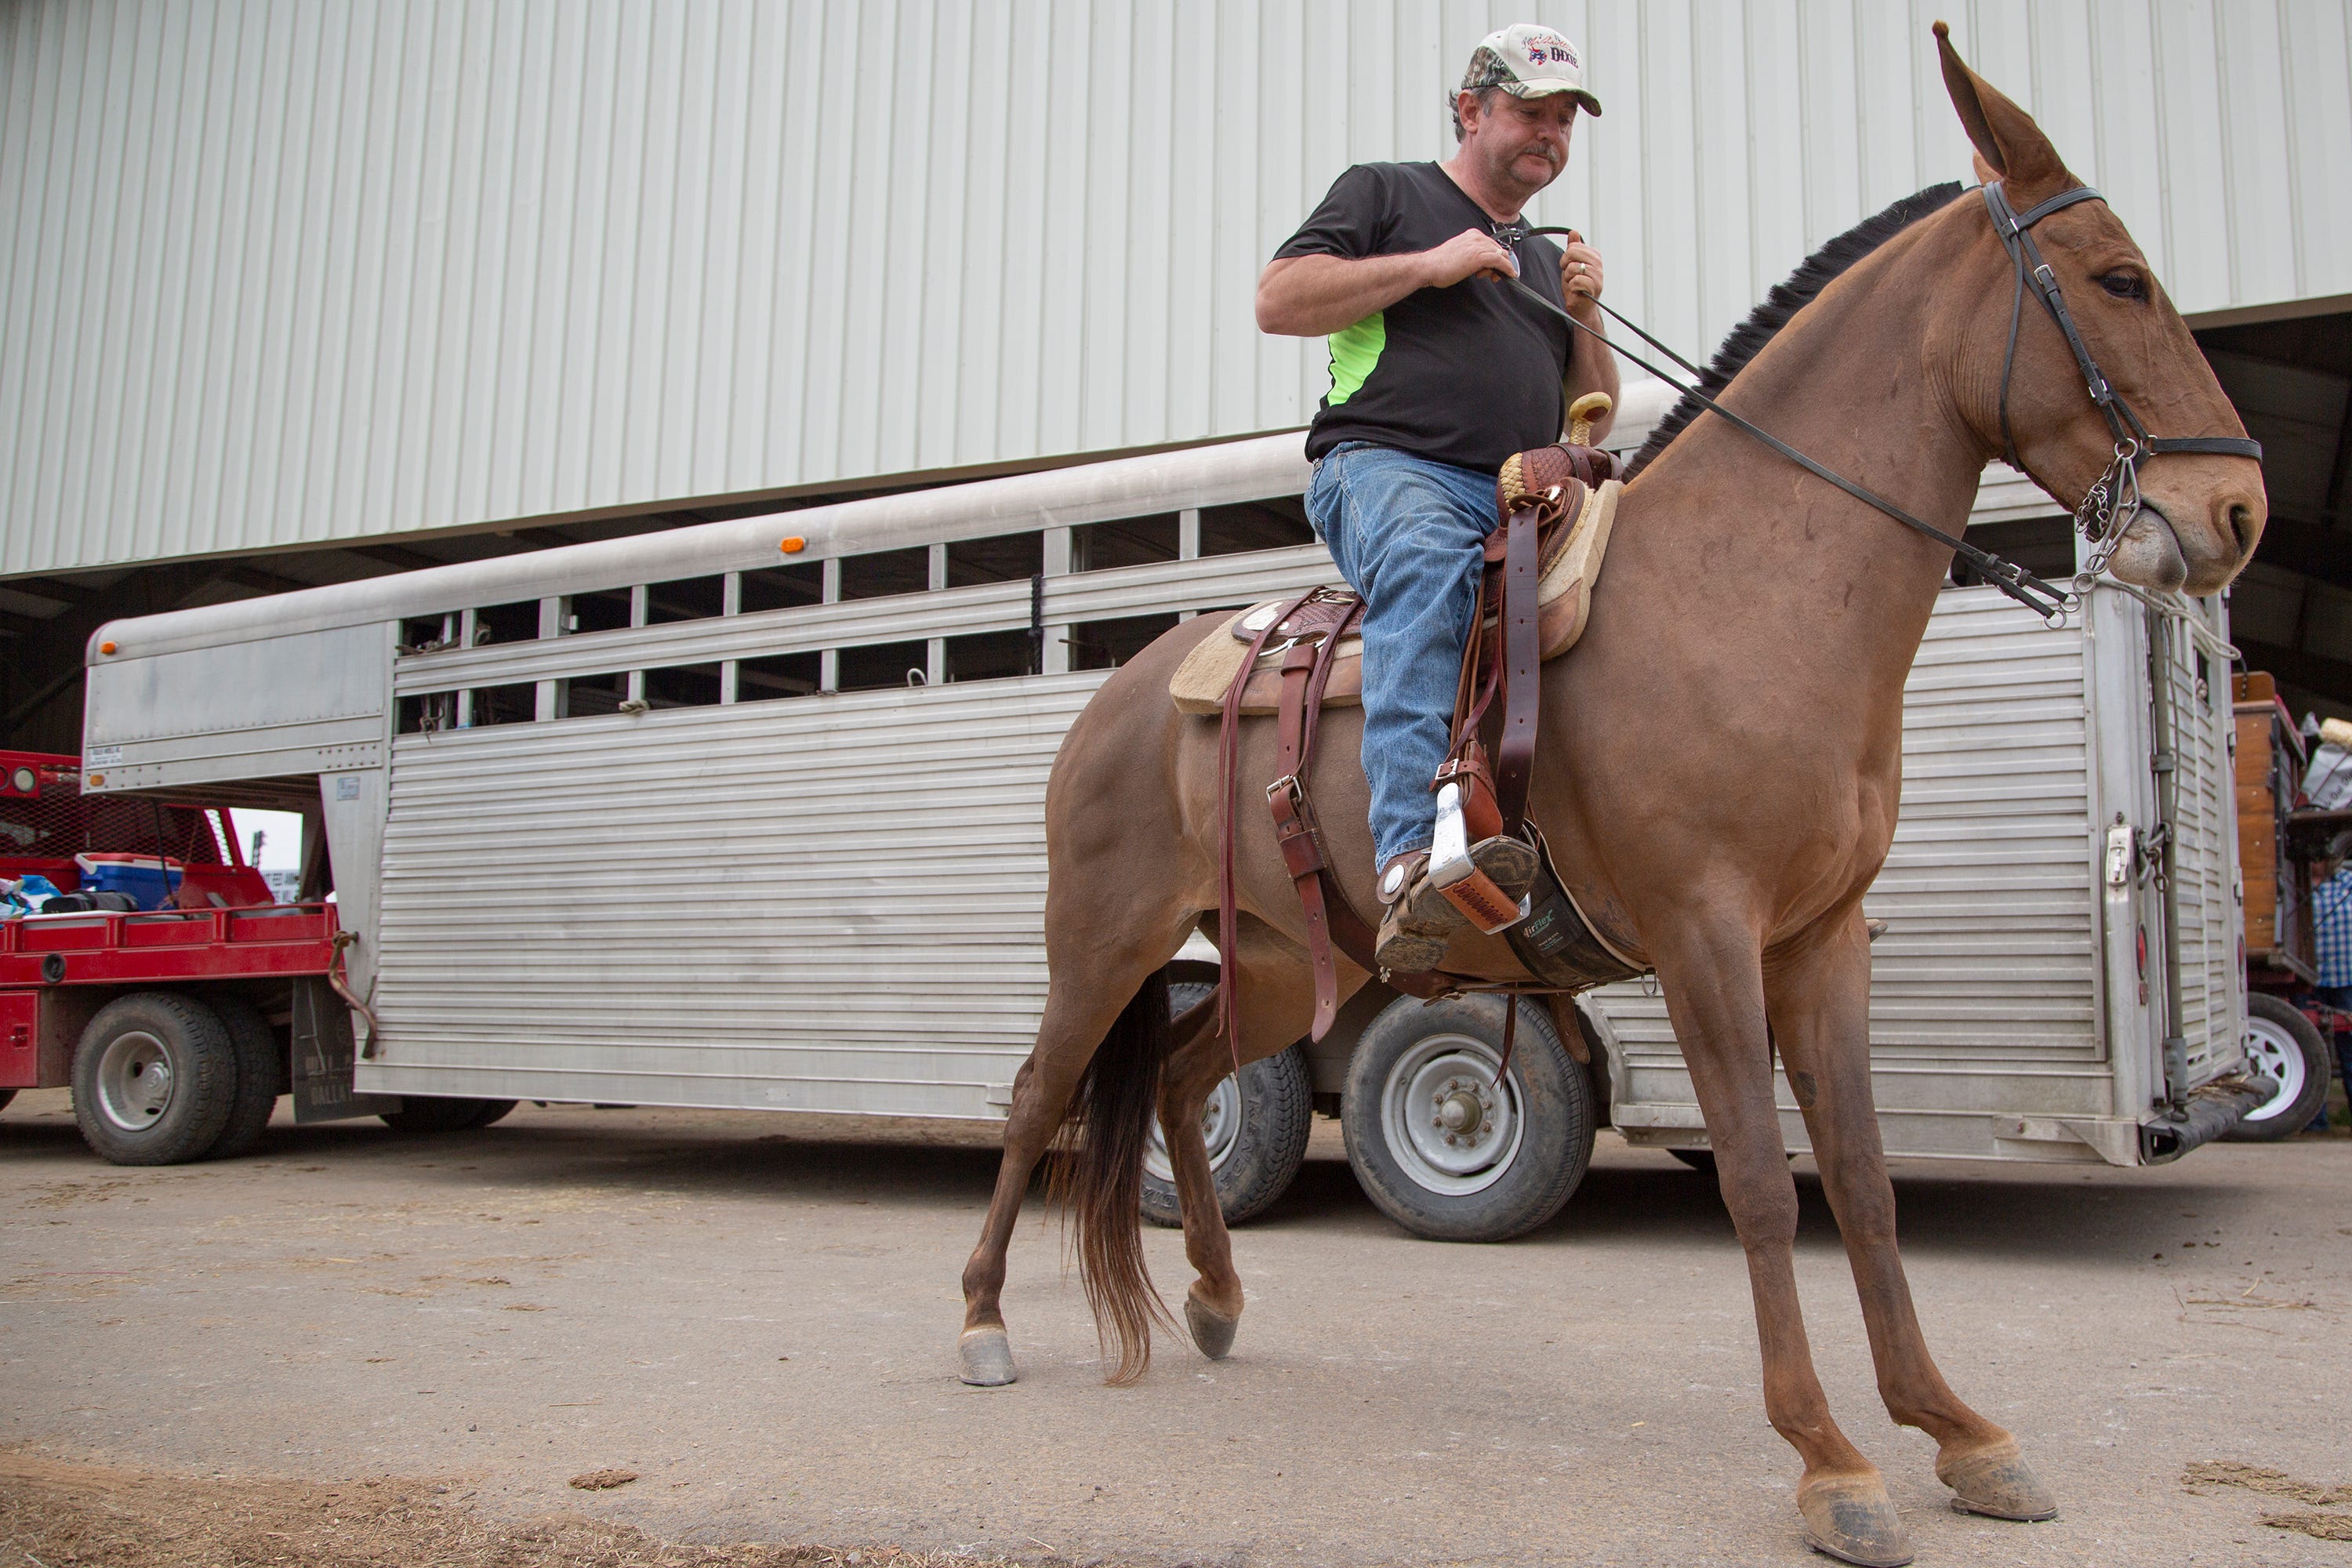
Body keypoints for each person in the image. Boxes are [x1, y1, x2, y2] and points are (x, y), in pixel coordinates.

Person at [1256, 23, 1621, 972]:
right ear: (1470, 110)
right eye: (1531, 112)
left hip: (1518, 493)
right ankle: (1409, 857)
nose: (1550, 134)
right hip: (1388, 467)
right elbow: (1278, 299)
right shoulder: (1387, 192)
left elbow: (1595, 409)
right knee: (1426, 558)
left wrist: (1584, 316)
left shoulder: (1544, 258)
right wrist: (1429, 264)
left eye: (1564, 120)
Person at [2309, 829, 2352, 1129]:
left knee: (2349, 1052)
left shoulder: (2347, 883)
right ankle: (2314, 1120)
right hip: (2310, 979)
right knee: (2313, 1053)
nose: (2316, 862)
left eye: (2321, 857)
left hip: (2346, 978)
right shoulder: (2294, 886)